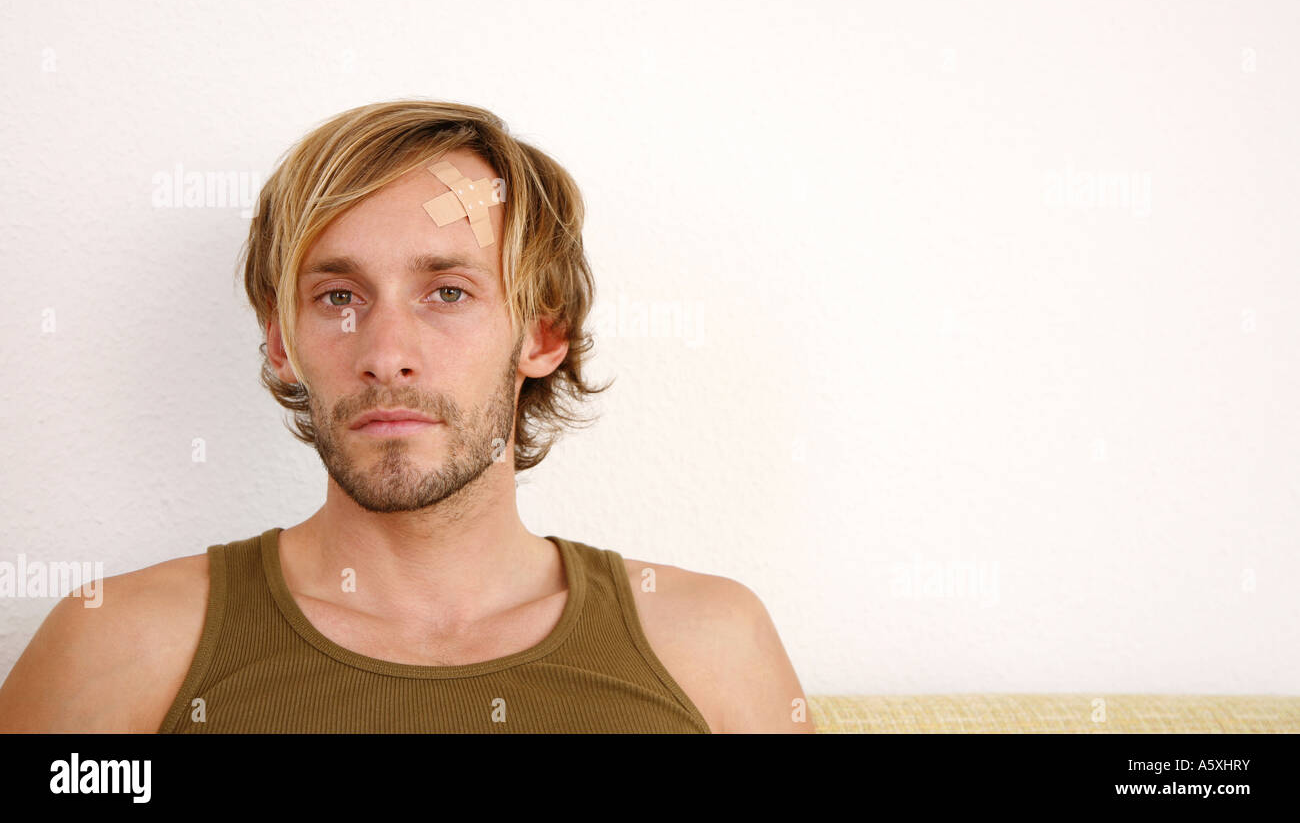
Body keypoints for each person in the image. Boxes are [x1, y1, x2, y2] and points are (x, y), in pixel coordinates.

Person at [0, 100, 811, 733]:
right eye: (339, 297)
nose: (385, 352)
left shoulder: (710, 644)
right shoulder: (120, 645)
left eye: (448, 293)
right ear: (283, 343)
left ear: (543, 333)